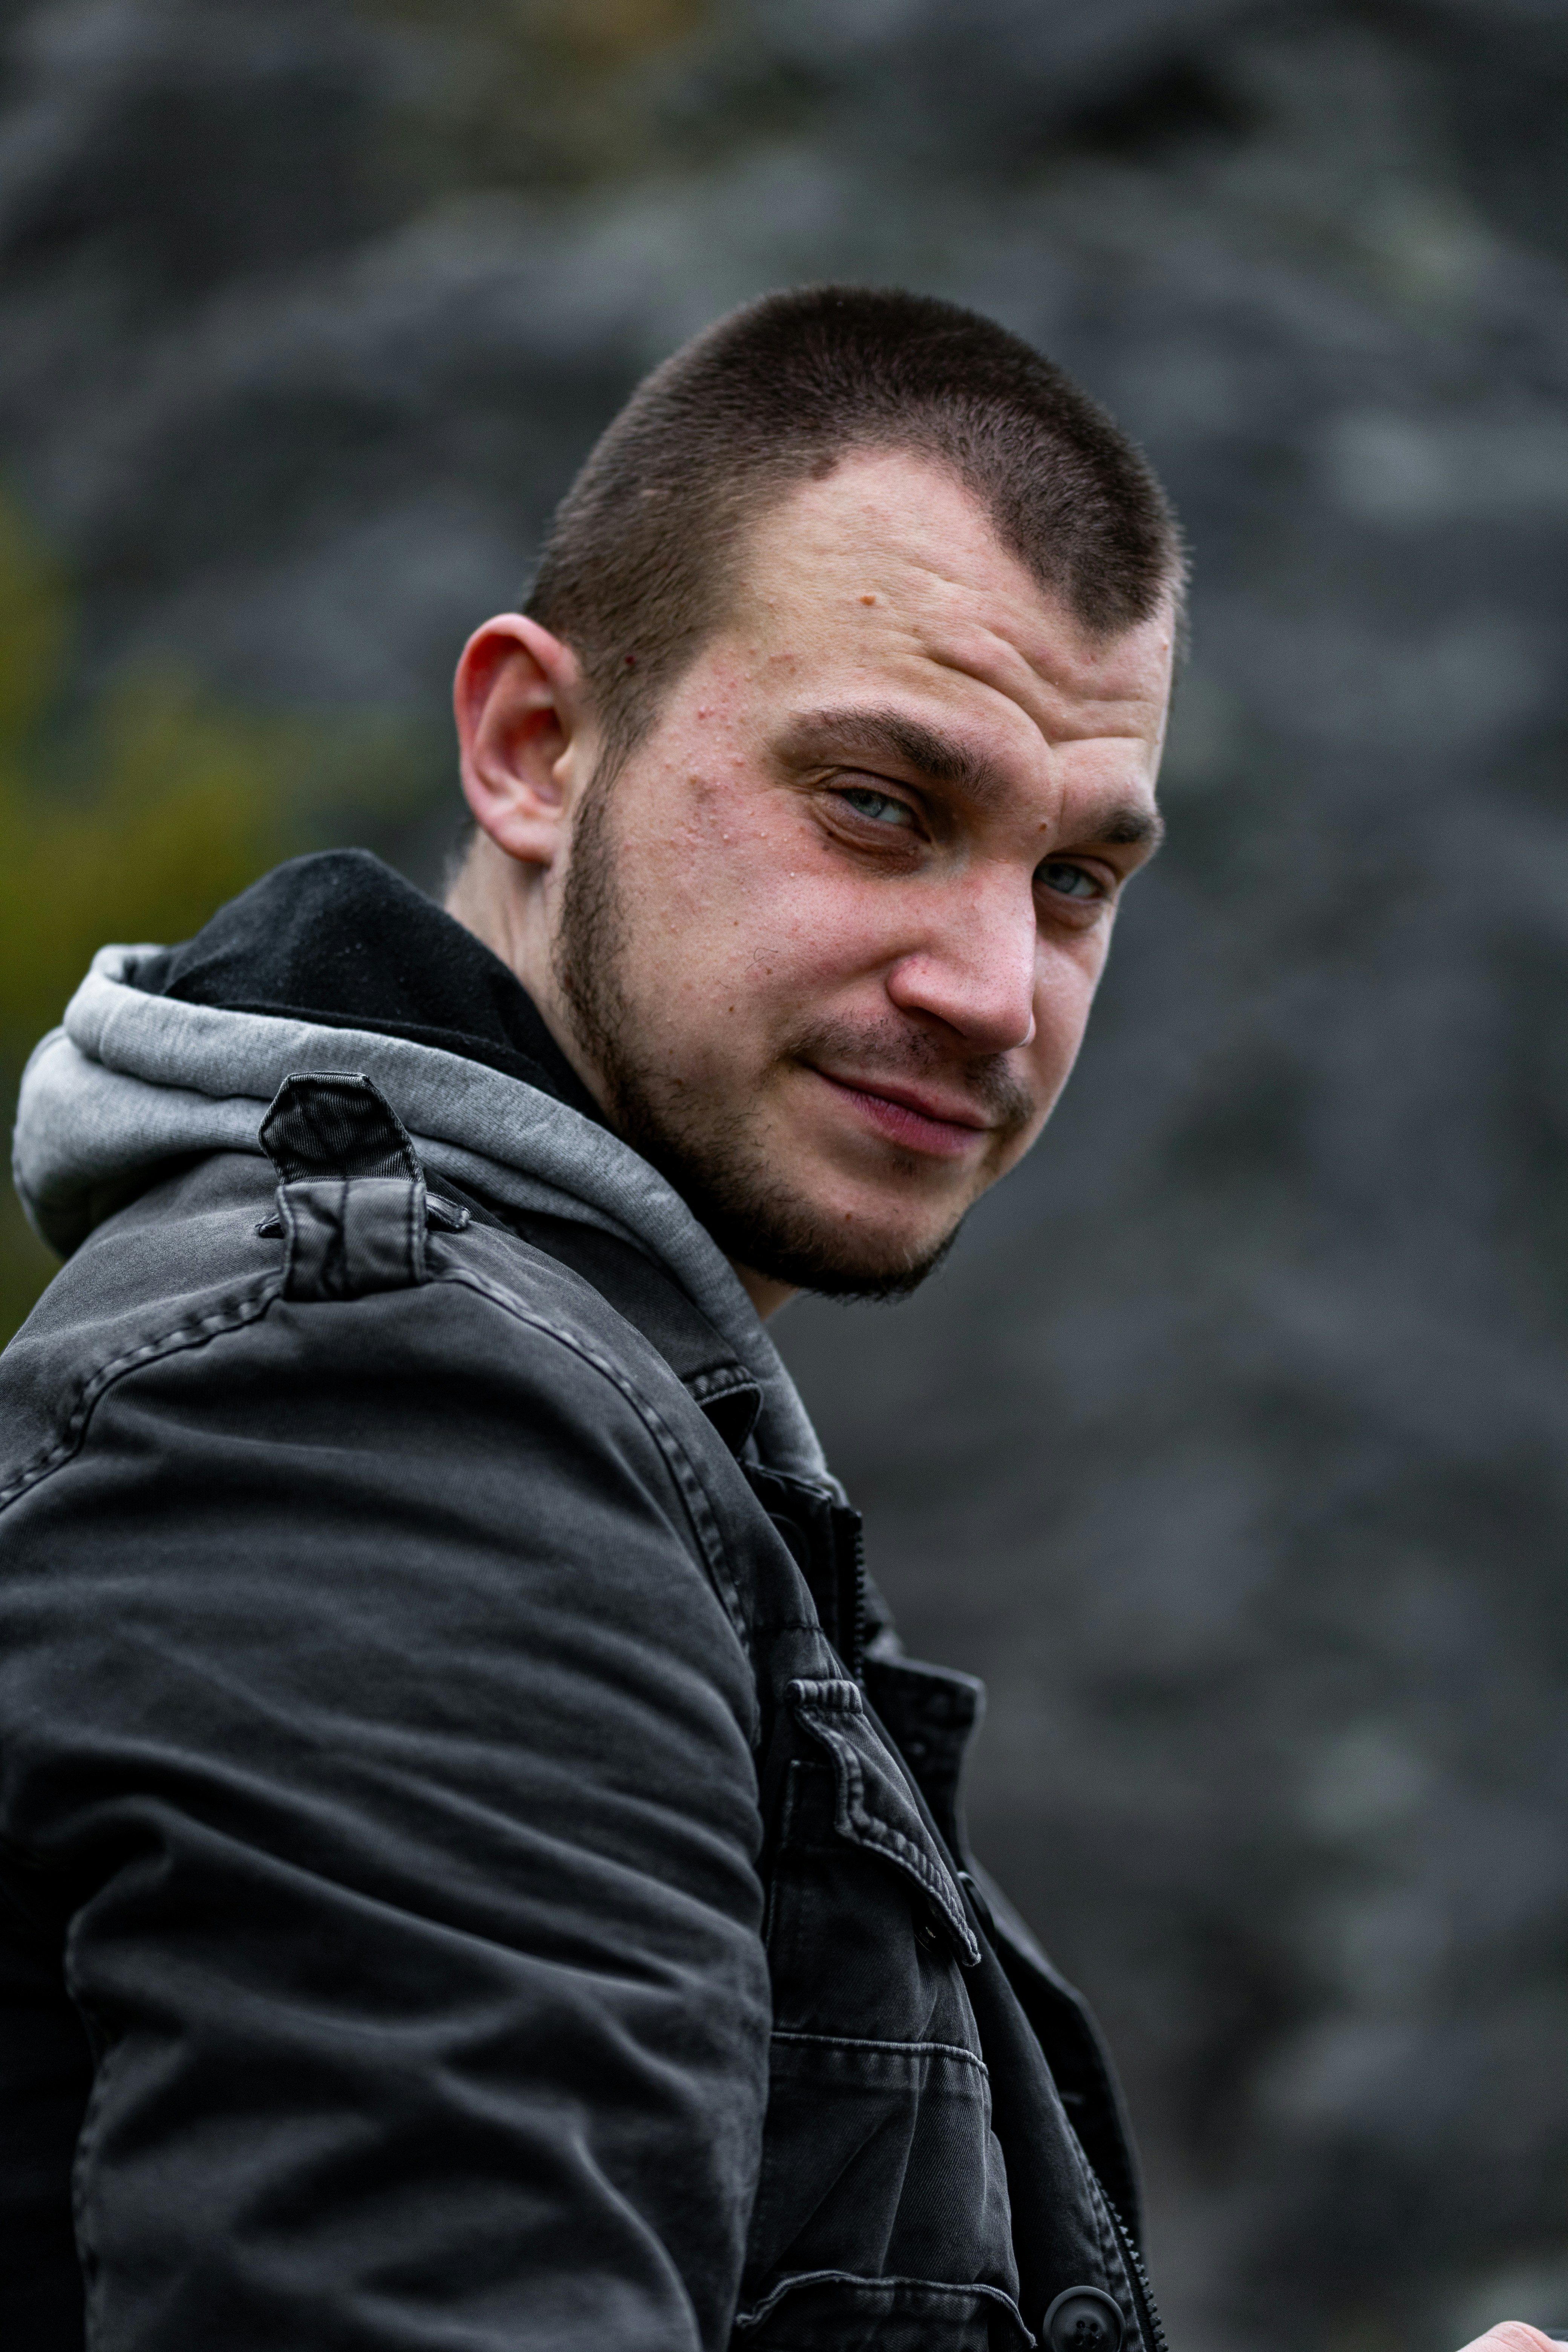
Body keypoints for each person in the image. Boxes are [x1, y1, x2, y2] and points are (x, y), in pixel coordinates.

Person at [0, 286, 1544, 2352]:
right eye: (884, 807)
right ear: (537, 748)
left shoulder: (571, 1401)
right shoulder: (377, 1415)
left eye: (1077, 878)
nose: (997, 988)